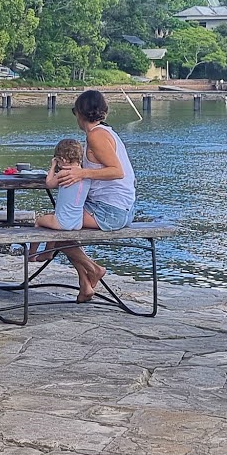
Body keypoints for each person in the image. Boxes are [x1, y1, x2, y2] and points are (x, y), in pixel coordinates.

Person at [35, 90, 137, 301]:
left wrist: (82, 172)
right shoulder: (106, 132)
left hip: (110, 211)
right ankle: (85, 285)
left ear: (80, 113)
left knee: (60, 227)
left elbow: (117, 171)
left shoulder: (96, 136)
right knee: (64, 224)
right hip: (119, 209)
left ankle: (93, 268)